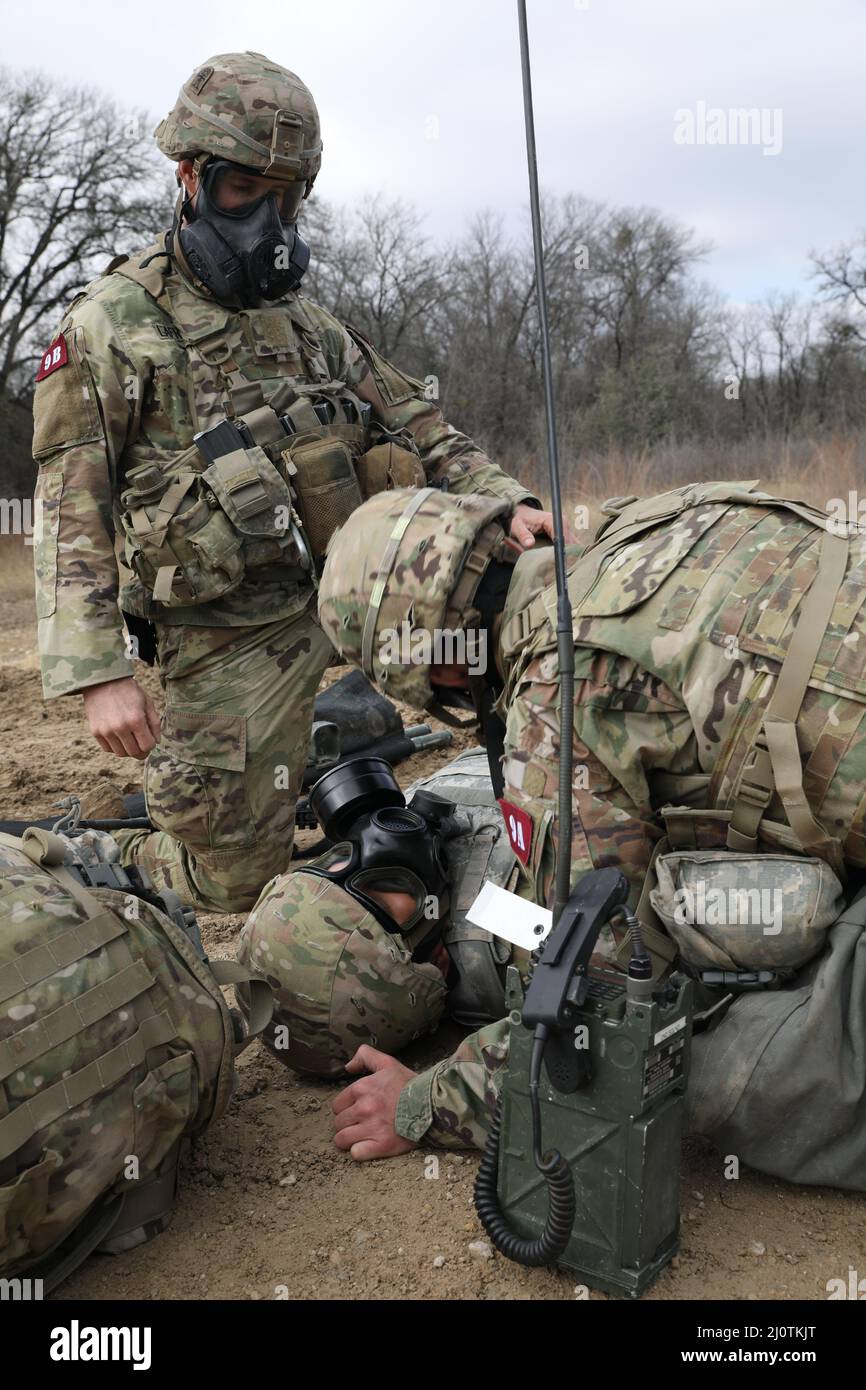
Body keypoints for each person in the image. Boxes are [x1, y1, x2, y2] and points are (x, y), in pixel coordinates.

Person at [31, 50, 553, 915]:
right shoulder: (111, 325)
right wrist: (98, 676)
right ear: (190, 176)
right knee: (229, 880)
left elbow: (414, 421)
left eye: (288, 194)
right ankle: (96, 844)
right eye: (246, 191)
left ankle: (531, 839)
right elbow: (68, 507)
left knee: (512, 596)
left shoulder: (309, 323)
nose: (268, 219)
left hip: (354, 593)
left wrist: (511, 502)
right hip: (229, 632)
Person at [312, 480, 866, 1190]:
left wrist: (427, 1104)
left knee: (721, 1065)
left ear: (442, 668)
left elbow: (592, 993)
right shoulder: (642, 523)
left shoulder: (560, 697)